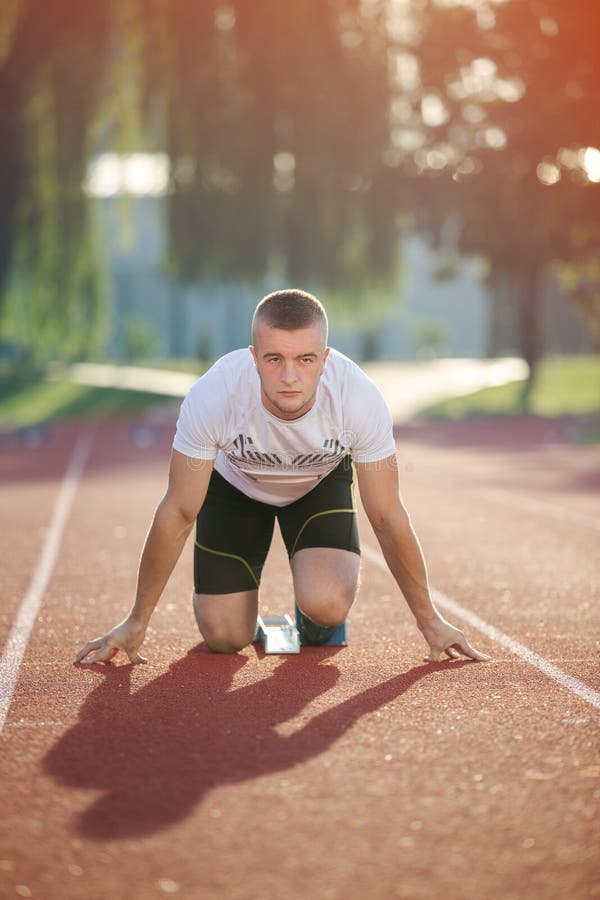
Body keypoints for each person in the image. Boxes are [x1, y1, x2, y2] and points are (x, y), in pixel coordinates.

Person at [76, 289, 489, 665]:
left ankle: (315, 622)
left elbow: (386, 515)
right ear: (253, 357)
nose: (289, 376)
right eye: (274, 359)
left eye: (305, 359)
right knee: (224, 637)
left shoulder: (358, 399)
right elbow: (180, 509)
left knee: (326, 603)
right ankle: (241, 615)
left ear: (324, 360)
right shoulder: (215, 395)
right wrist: (137, 620)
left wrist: (430, 622)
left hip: (317, 484)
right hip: (234, 488)